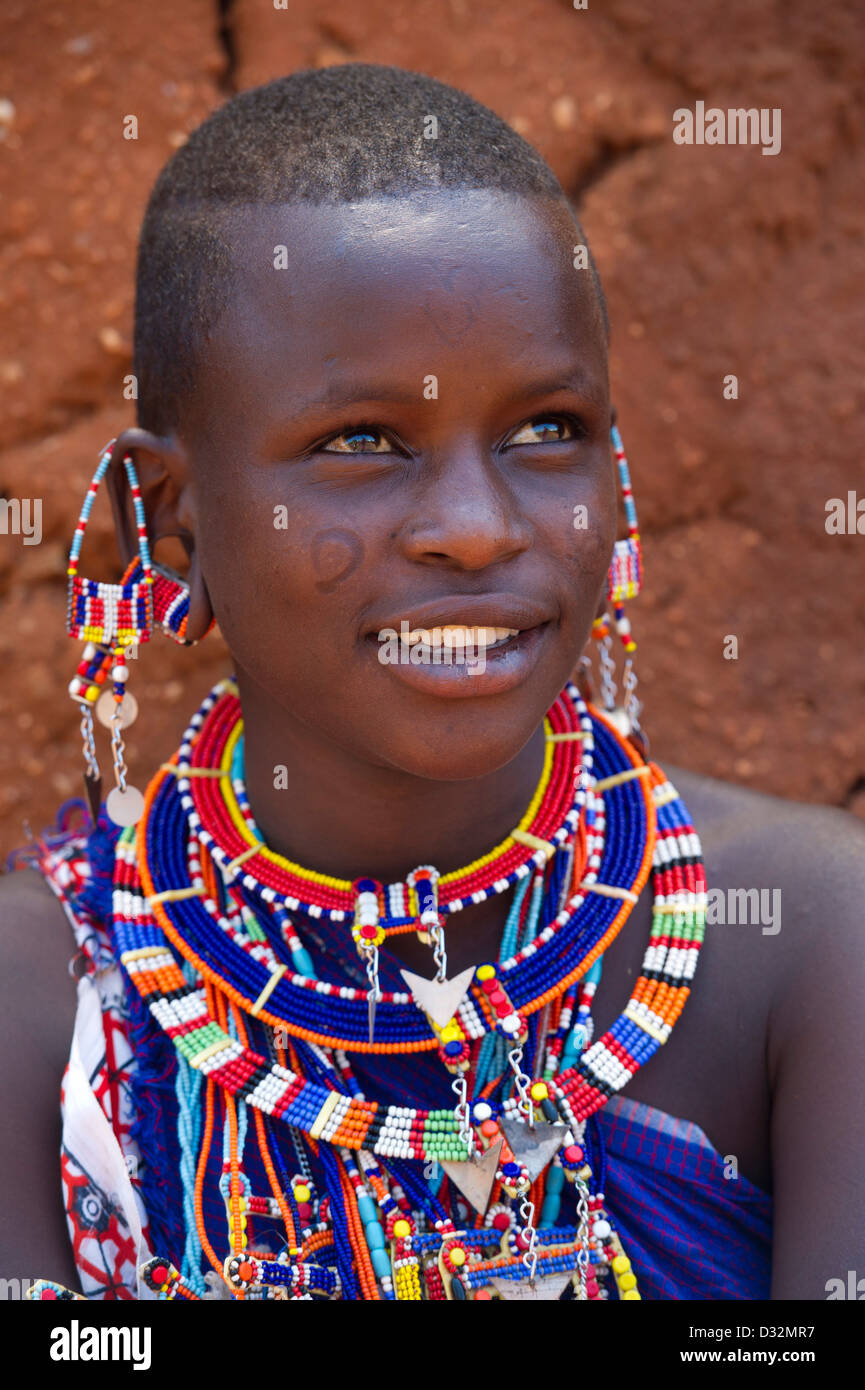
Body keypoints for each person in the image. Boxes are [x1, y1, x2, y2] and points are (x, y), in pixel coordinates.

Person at [2, 63, 863, 1303]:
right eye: (362, 444)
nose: (474, 527)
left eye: (545, 430)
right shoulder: (39, 1006)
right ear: (168, 518)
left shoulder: (809, 937)